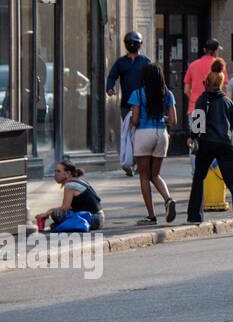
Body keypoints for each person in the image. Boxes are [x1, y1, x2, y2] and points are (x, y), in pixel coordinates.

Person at [185, 58, 233, 235]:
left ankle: (195, 215)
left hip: (207, 144)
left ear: (206, 83)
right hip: (226, 145)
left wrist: (192, 138)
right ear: (222, 83)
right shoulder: (227, 103)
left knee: (199, 177)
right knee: (232, 181)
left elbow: (197, 125)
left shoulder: (202, 100)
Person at [128, 62, 178, 225]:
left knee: (143, 176)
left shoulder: (137, 93)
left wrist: (131, 119)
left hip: (143, 134)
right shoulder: (167, 94)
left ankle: (151, 215)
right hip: (161, 134)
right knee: (155, 174)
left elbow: (134, 120)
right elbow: (173, 120)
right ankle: (168, 199)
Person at [106, 30, 151, 176]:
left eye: (135, 43)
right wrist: (110, 87)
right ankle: (129, 161)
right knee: (128, 132)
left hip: (143, 104)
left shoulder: (145, 61)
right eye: (130, 42)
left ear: (140, 44)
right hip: (127, 104)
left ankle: (137, 162)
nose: (132, 45)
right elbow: (112, 76)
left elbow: (154, 78)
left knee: (139, 133)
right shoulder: (121, 62)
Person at [35, 160, 105, 232]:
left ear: (68, 173)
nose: (55, 174)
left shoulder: (70, 185)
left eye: (58, 171)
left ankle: (59, 226)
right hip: (98, 218)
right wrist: (49, 211)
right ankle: (58, 226)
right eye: (55, 171)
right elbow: (70, 207)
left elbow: (65, 208)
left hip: (92, 219)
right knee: (58, 215)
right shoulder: (78, 181)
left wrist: (46, 214)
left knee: (57, 214)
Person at [184, 38, 226, 113]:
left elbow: (186, 90)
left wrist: (195, 100)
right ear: (216, 51)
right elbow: (225, 87)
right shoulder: (219, 65)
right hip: (214, 108)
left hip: (195, 108)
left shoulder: (193, 65)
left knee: (198, 125)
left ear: (204, 50)